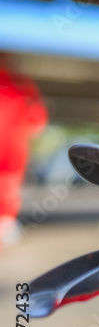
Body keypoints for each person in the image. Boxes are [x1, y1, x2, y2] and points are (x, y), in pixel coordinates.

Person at [0, 53, 47, 246]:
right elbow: (38, 120)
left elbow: (37, 117)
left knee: (9, 184)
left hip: (13, 146)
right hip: (13, 145)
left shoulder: (21, 84)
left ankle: (5, 222)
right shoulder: (20, 83)